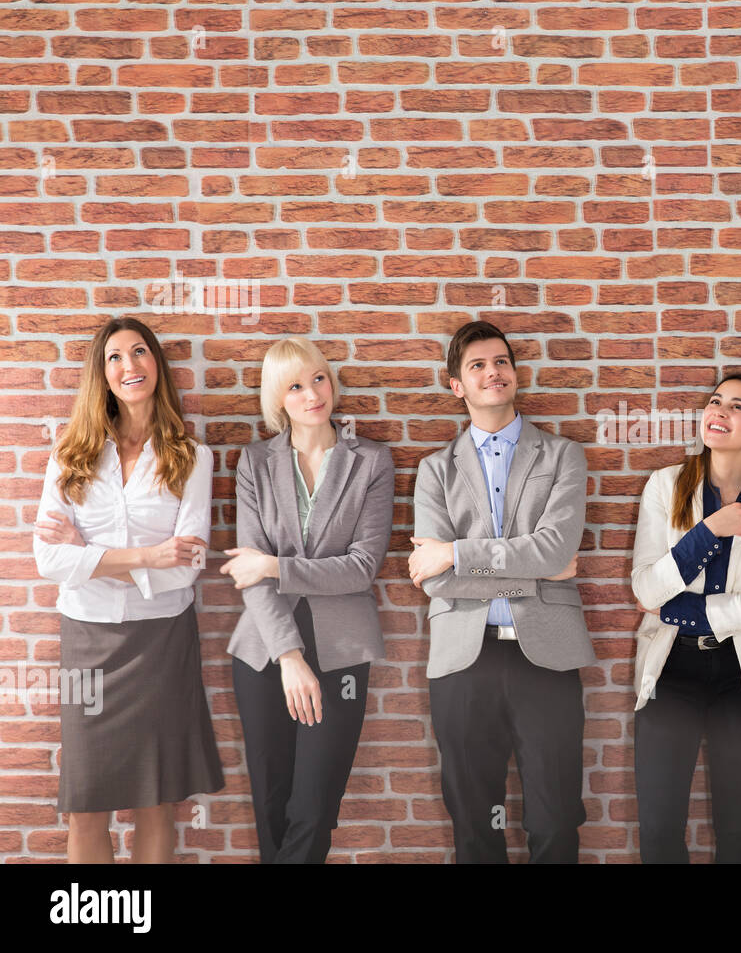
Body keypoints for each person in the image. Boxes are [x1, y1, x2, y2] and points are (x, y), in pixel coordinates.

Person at [32, 316, 222, 863]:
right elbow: (49, 558)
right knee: (85, 804)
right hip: (88, 642)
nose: (128, 366)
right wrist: (143, 556)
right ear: (102, 374)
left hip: (162, 642)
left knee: (154, 801)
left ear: (156, 364)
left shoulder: (192, 457)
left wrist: (87, 554)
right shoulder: (70, 455)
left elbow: (185, 568)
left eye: (139, 352)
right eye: (114, 357)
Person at [409, 319, 590, 863]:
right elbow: (434, 577)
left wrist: (458, 552)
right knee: (472, 823)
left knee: (556, 819)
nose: (494, 372)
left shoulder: (562, 456)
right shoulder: (434, 471)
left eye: (502, 361)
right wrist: (535, 568)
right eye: (478, 365)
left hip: (547, 657)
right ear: (456, 386)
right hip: (464, 659)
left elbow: (555, 550)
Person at [221, 338, 394, 863]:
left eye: (318, 378)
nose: (313, 393)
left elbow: (362, 568)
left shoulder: (372, 462)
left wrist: (275, 565)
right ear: (278, 400)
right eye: (295, 386)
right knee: (271, 804)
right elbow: (246, 576)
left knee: (314, 806)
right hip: (265, 652)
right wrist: (289, 658)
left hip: (340, 650)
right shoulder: (254, 462)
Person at [630, 373, 741, 863]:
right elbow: (644, 588)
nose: (720, 412)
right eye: (715, 402)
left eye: (737, 407)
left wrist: (678, 609)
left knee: (736, 833)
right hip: (673, 669)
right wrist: (710, 529)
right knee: (660, 831)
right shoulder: (665, 486)